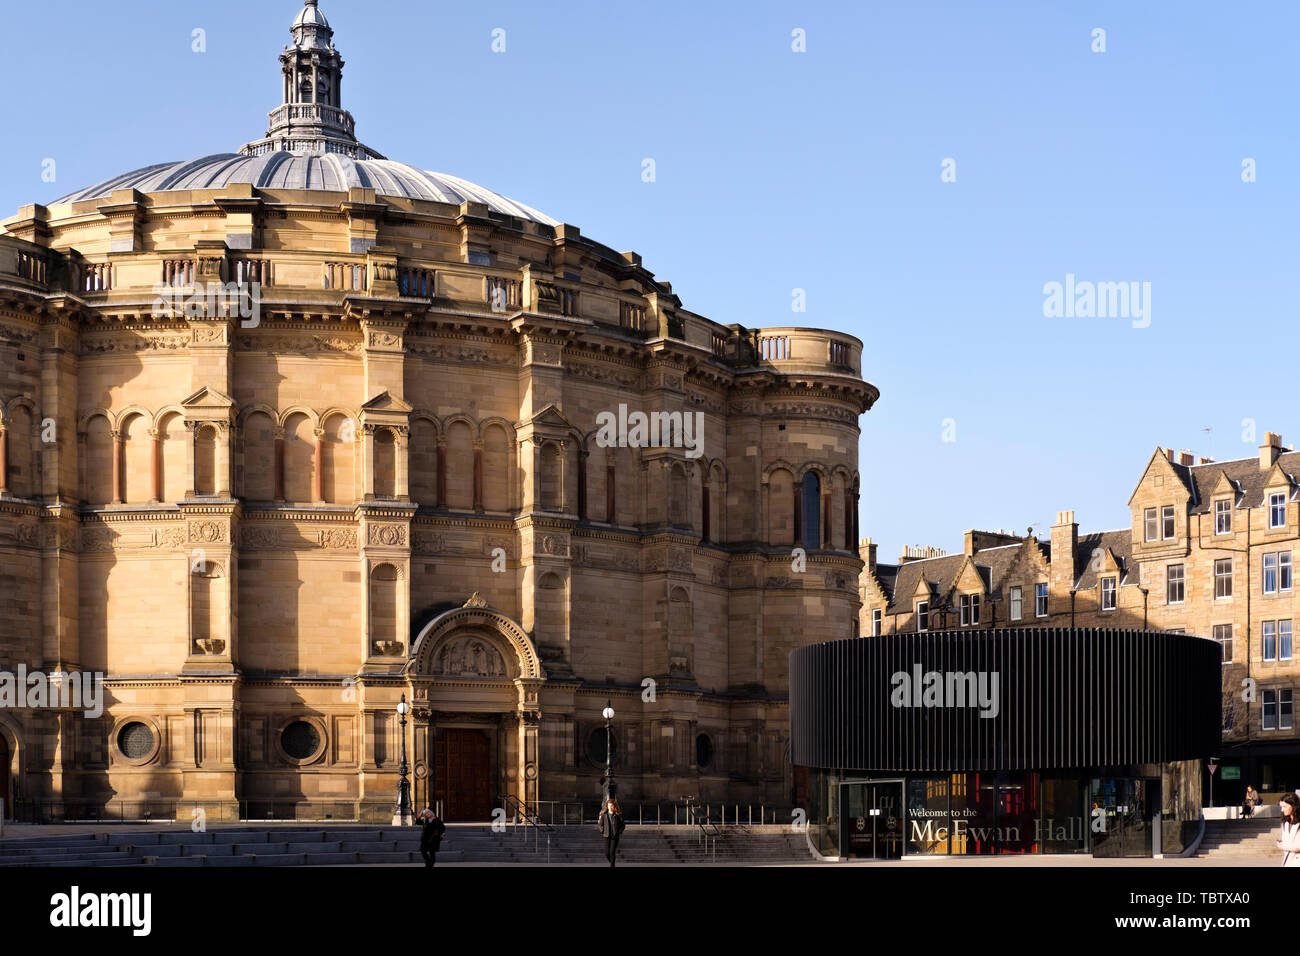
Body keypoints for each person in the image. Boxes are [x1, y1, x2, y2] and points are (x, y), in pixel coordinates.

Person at [597, 797, 626, 867]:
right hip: (606, 836)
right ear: (607, 806)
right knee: (607, 853)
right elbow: (600, 825)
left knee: (612, 852)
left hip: (615, 836)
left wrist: (619, 832)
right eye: (609, 805)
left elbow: (623, 825)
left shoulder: (618, 815)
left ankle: (612, 865)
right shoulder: (604, 815)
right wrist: (602, 831)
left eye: (612, 805)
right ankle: (612, 863)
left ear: (614, 806)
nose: (610, 807)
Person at [1275, 793, 1300, 867]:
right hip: (1288, 862)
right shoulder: (1286, 823)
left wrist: (1283, 846)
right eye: (1281, 807)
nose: (1282, 810)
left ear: (1294, 806)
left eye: (1285, 807)